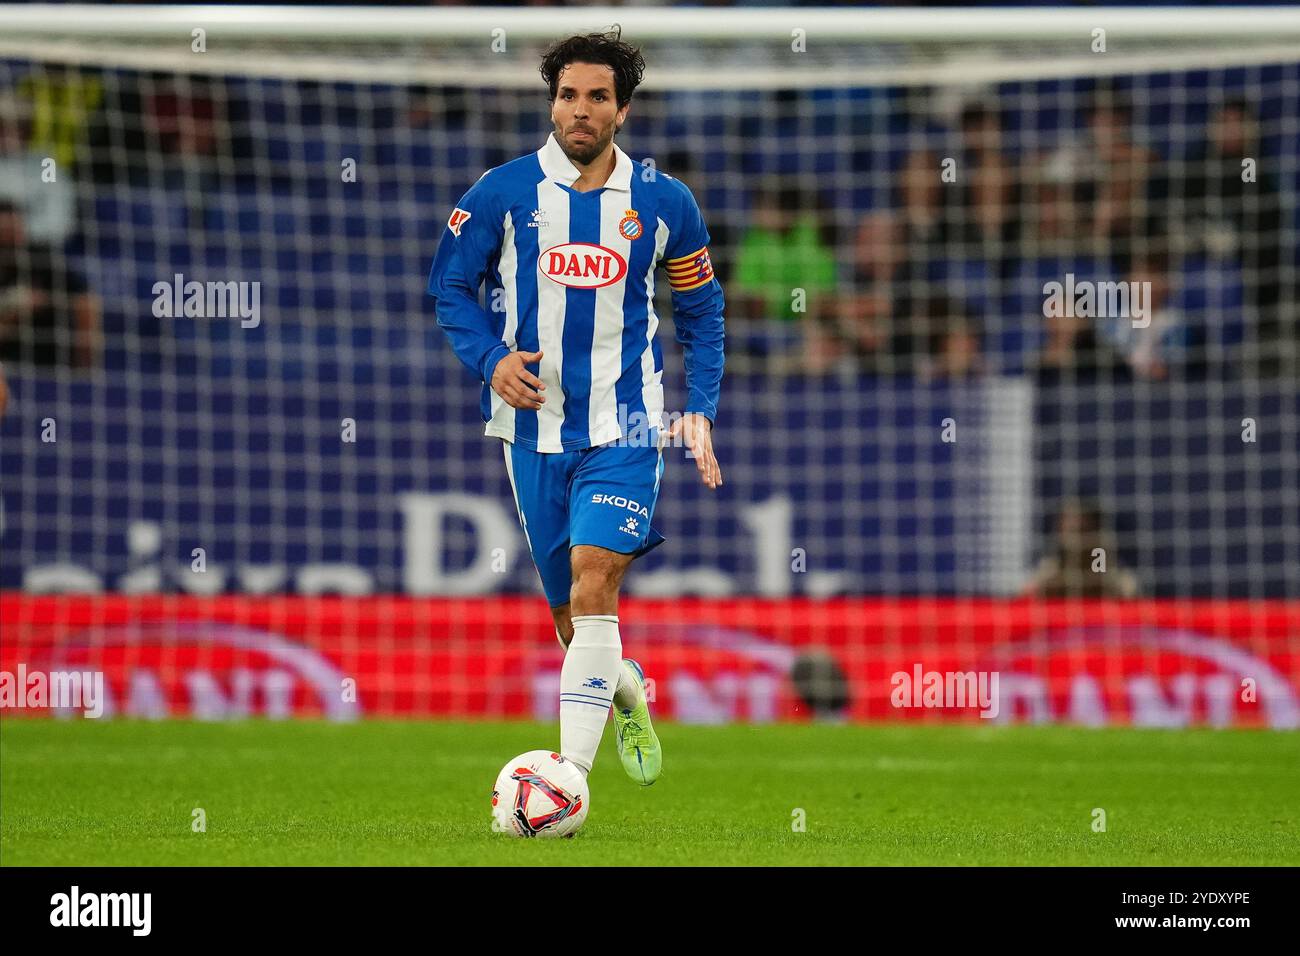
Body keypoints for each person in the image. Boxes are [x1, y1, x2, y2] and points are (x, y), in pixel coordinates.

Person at [427, 29, 726, 792]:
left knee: (598, 583)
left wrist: (699, 407)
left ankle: (568, 780)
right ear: (551, 102)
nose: (580, 111)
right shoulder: (501, 192)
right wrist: (491, 360)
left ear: (623, 110)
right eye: (568, 95)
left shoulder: (664, 201)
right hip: (531, 431)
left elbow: (701, 309)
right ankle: (623, 684)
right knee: (572, 620)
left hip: (625, 427)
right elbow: (450, 290)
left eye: (597, 97)